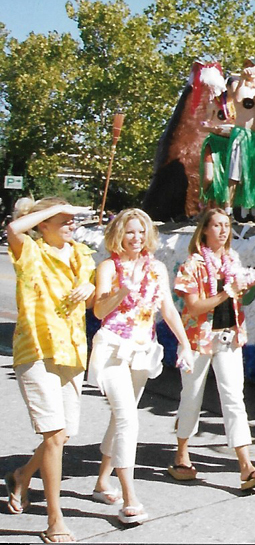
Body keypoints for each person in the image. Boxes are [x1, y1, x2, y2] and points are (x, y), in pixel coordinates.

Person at [88, 209, 195, 525]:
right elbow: (98, 311)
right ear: (118, 235)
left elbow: (168, 311)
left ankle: (100, 482)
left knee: (120, 418)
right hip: (111, 350)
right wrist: (124, 289)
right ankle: (130, 498)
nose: (135, 238)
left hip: (141, 351)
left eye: (140, 232)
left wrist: (185, 344)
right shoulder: (109, 266)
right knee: (127, 420)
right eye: (129, 232)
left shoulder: (158, 268)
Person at [5, 197, 95, 543]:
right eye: (65, 220)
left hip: (72, 351)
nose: (72, 224)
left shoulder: (81, 255)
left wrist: (91, 288)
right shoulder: (30, 250)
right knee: (54, 436)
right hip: (36, 350)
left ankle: (22, 475)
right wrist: (53, 208)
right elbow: (14, 228)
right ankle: (54, 520)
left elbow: (93, 298)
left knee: (63, 433)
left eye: (73, 220)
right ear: (43, 224)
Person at [171, 208, 255, 491]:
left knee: (234, 398)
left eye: (226, 225)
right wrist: (227, 292)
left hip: (229, 335)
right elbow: (193, 306)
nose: (223, 230)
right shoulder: (192, 265)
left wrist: (246, 285)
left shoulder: (232, 260)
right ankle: (181, 454)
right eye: (216, 225)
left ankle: (246, 466)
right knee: (191, 396)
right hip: (198, 339)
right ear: (204, 230)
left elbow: (241, 296)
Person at [201, 58, 255, 221]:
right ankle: (228, 209)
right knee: (234, 172)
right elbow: (238, 99)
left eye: (252, 66)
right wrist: (244, 79)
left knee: (254, 173)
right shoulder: (240, 85)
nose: (248, 68)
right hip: (241, 133)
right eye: (246, 65)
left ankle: (253, 209)